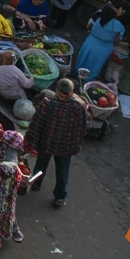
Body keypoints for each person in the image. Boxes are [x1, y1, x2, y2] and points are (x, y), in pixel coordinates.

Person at [25, 78, 91, 206]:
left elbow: (36, 124)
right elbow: (86, 126)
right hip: (65, 147)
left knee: (41, 165)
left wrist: (31, 141)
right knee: (62, 170)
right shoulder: (78, 106)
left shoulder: (47, 103)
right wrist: (77, 140)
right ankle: (60, 197)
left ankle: (35, 184)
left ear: (57, 90)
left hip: (46, 143)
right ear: (71, 92)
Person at [74, 4, 124, 79]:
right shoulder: (117, 25)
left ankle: (76, 75)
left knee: (84, 59)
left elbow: (88, 27)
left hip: (90, 43)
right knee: (94, 65)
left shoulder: (97, 16)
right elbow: (116, 41)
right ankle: (87, 80)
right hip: (104, 49)